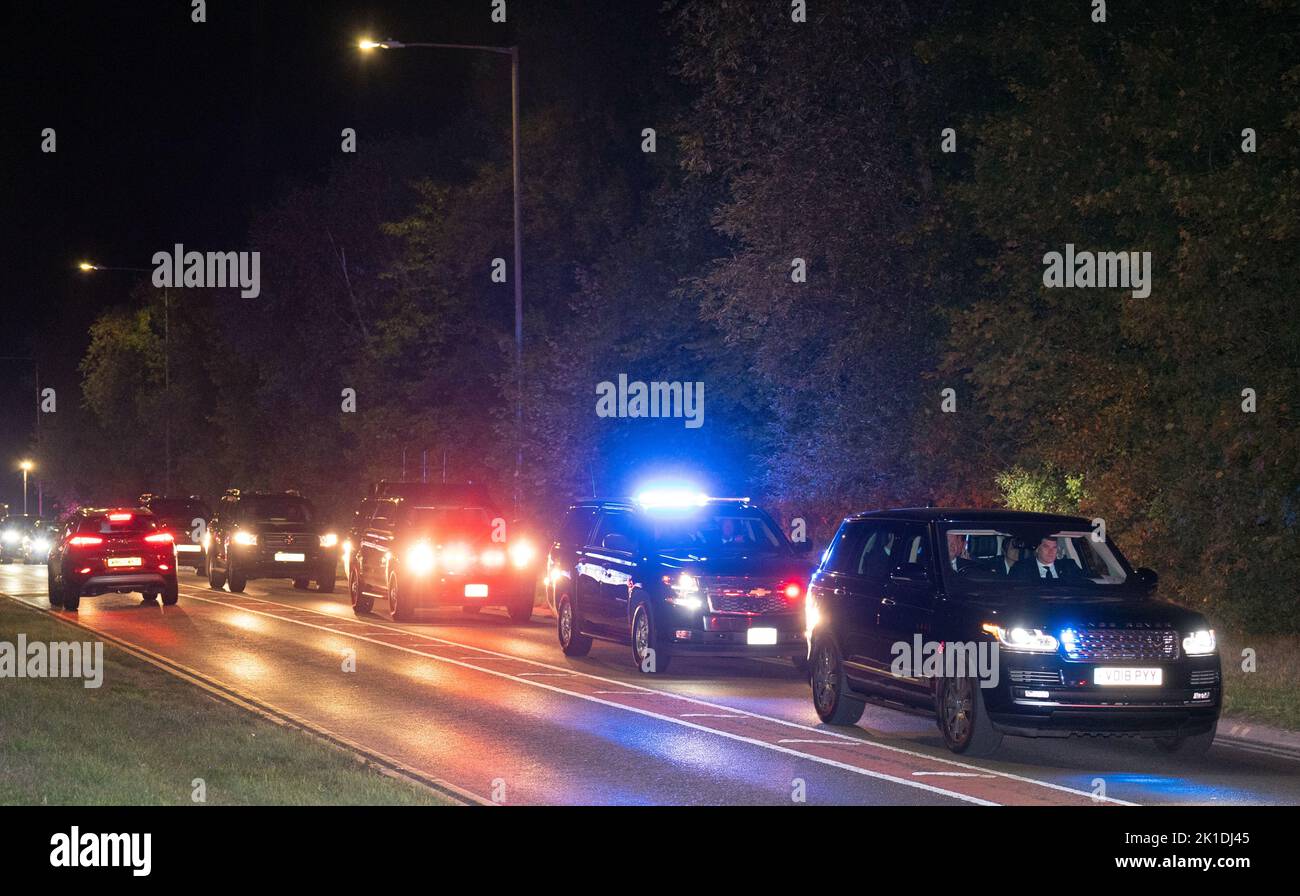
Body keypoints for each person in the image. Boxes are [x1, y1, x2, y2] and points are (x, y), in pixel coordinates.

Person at [1012, 536, 1082, 581]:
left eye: (1054, 547)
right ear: (1037, 549)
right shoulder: (1021, 568)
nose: (1051, 551)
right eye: (1046, 547)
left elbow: (1085, 585)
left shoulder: (1069, 566)